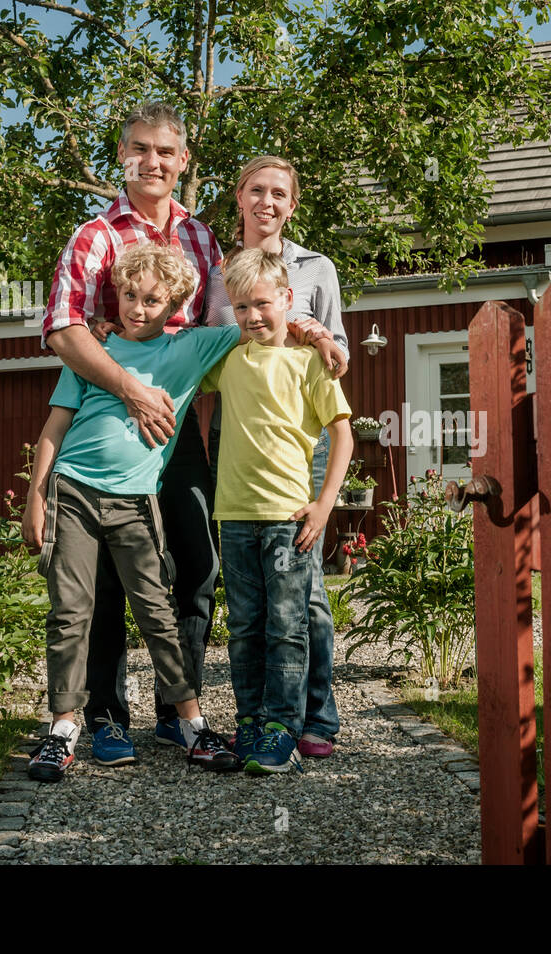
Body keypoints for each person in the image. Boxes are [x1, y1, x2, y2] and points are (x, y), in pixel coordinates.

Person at [41, 102, 344, 766]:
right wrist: (131, 388)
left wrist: (308, 328)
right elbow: (63, 331)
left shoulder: (201, 240)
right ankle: (106, 717)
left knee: (197, 567)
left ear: (183, 162)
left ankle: (181, 715)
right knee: (110, 583)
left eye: (166, 152)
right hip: (111, 427)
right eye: (140, 149)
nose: (153, 162)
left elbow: (235, 325)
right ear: (123, 155)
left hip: (175, 434)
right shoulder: (94, 236)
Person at [24, 244, 247, 781]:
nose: (138, 308)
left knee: (157, 611)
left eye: (152, 300)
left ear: (174, 303)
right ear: (116, 294)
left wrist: (311, 331)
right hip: (72, 493)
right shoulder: (92, 352)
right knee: (70, 611)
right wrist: (36, 495)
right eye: (129, 296)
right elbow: (54, 428)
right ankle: (62, 729)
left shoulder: (190, 348)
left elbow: (252, 321)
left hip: (135, 501)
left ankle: (192, 724)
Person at [204, 156, 350, 758]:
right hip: (236, 446)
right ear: (238, 197)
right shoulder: (212, 272)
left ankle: (311, 718)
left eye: (280, 194)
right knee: (254, 610)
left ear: (292, 204)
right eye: (257, 190)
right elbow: (199, 348)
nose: (267, 201)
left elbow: (336, 352)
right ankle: (262, 717)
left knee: (304, 598)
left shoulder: (316, 267)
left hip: (298, 444)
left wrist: (313, 335)